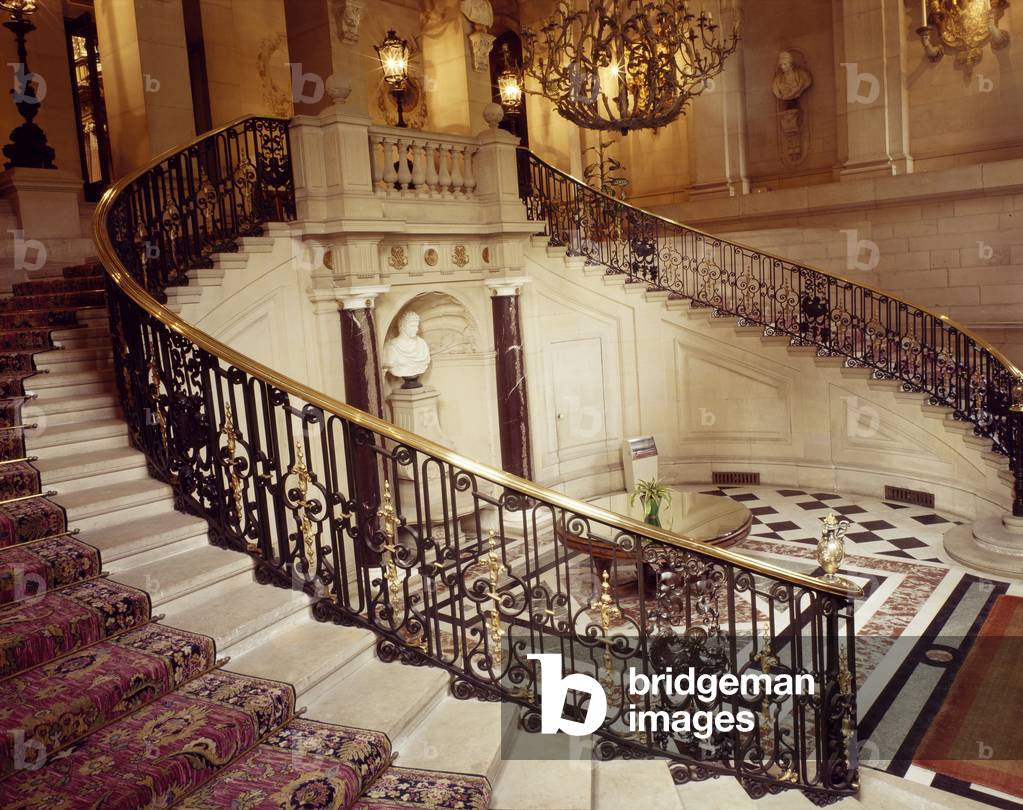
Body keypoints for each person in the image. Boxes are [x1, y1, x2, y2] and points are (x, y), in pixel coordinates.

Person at [382, 311, 431, 388]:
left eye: (417, 326)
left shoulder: (422, 344)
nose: (416, 329)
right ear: (403, 326)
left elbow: (427, 360)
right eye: (412, 326)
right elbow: (387, 363)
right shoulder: (391, 347)